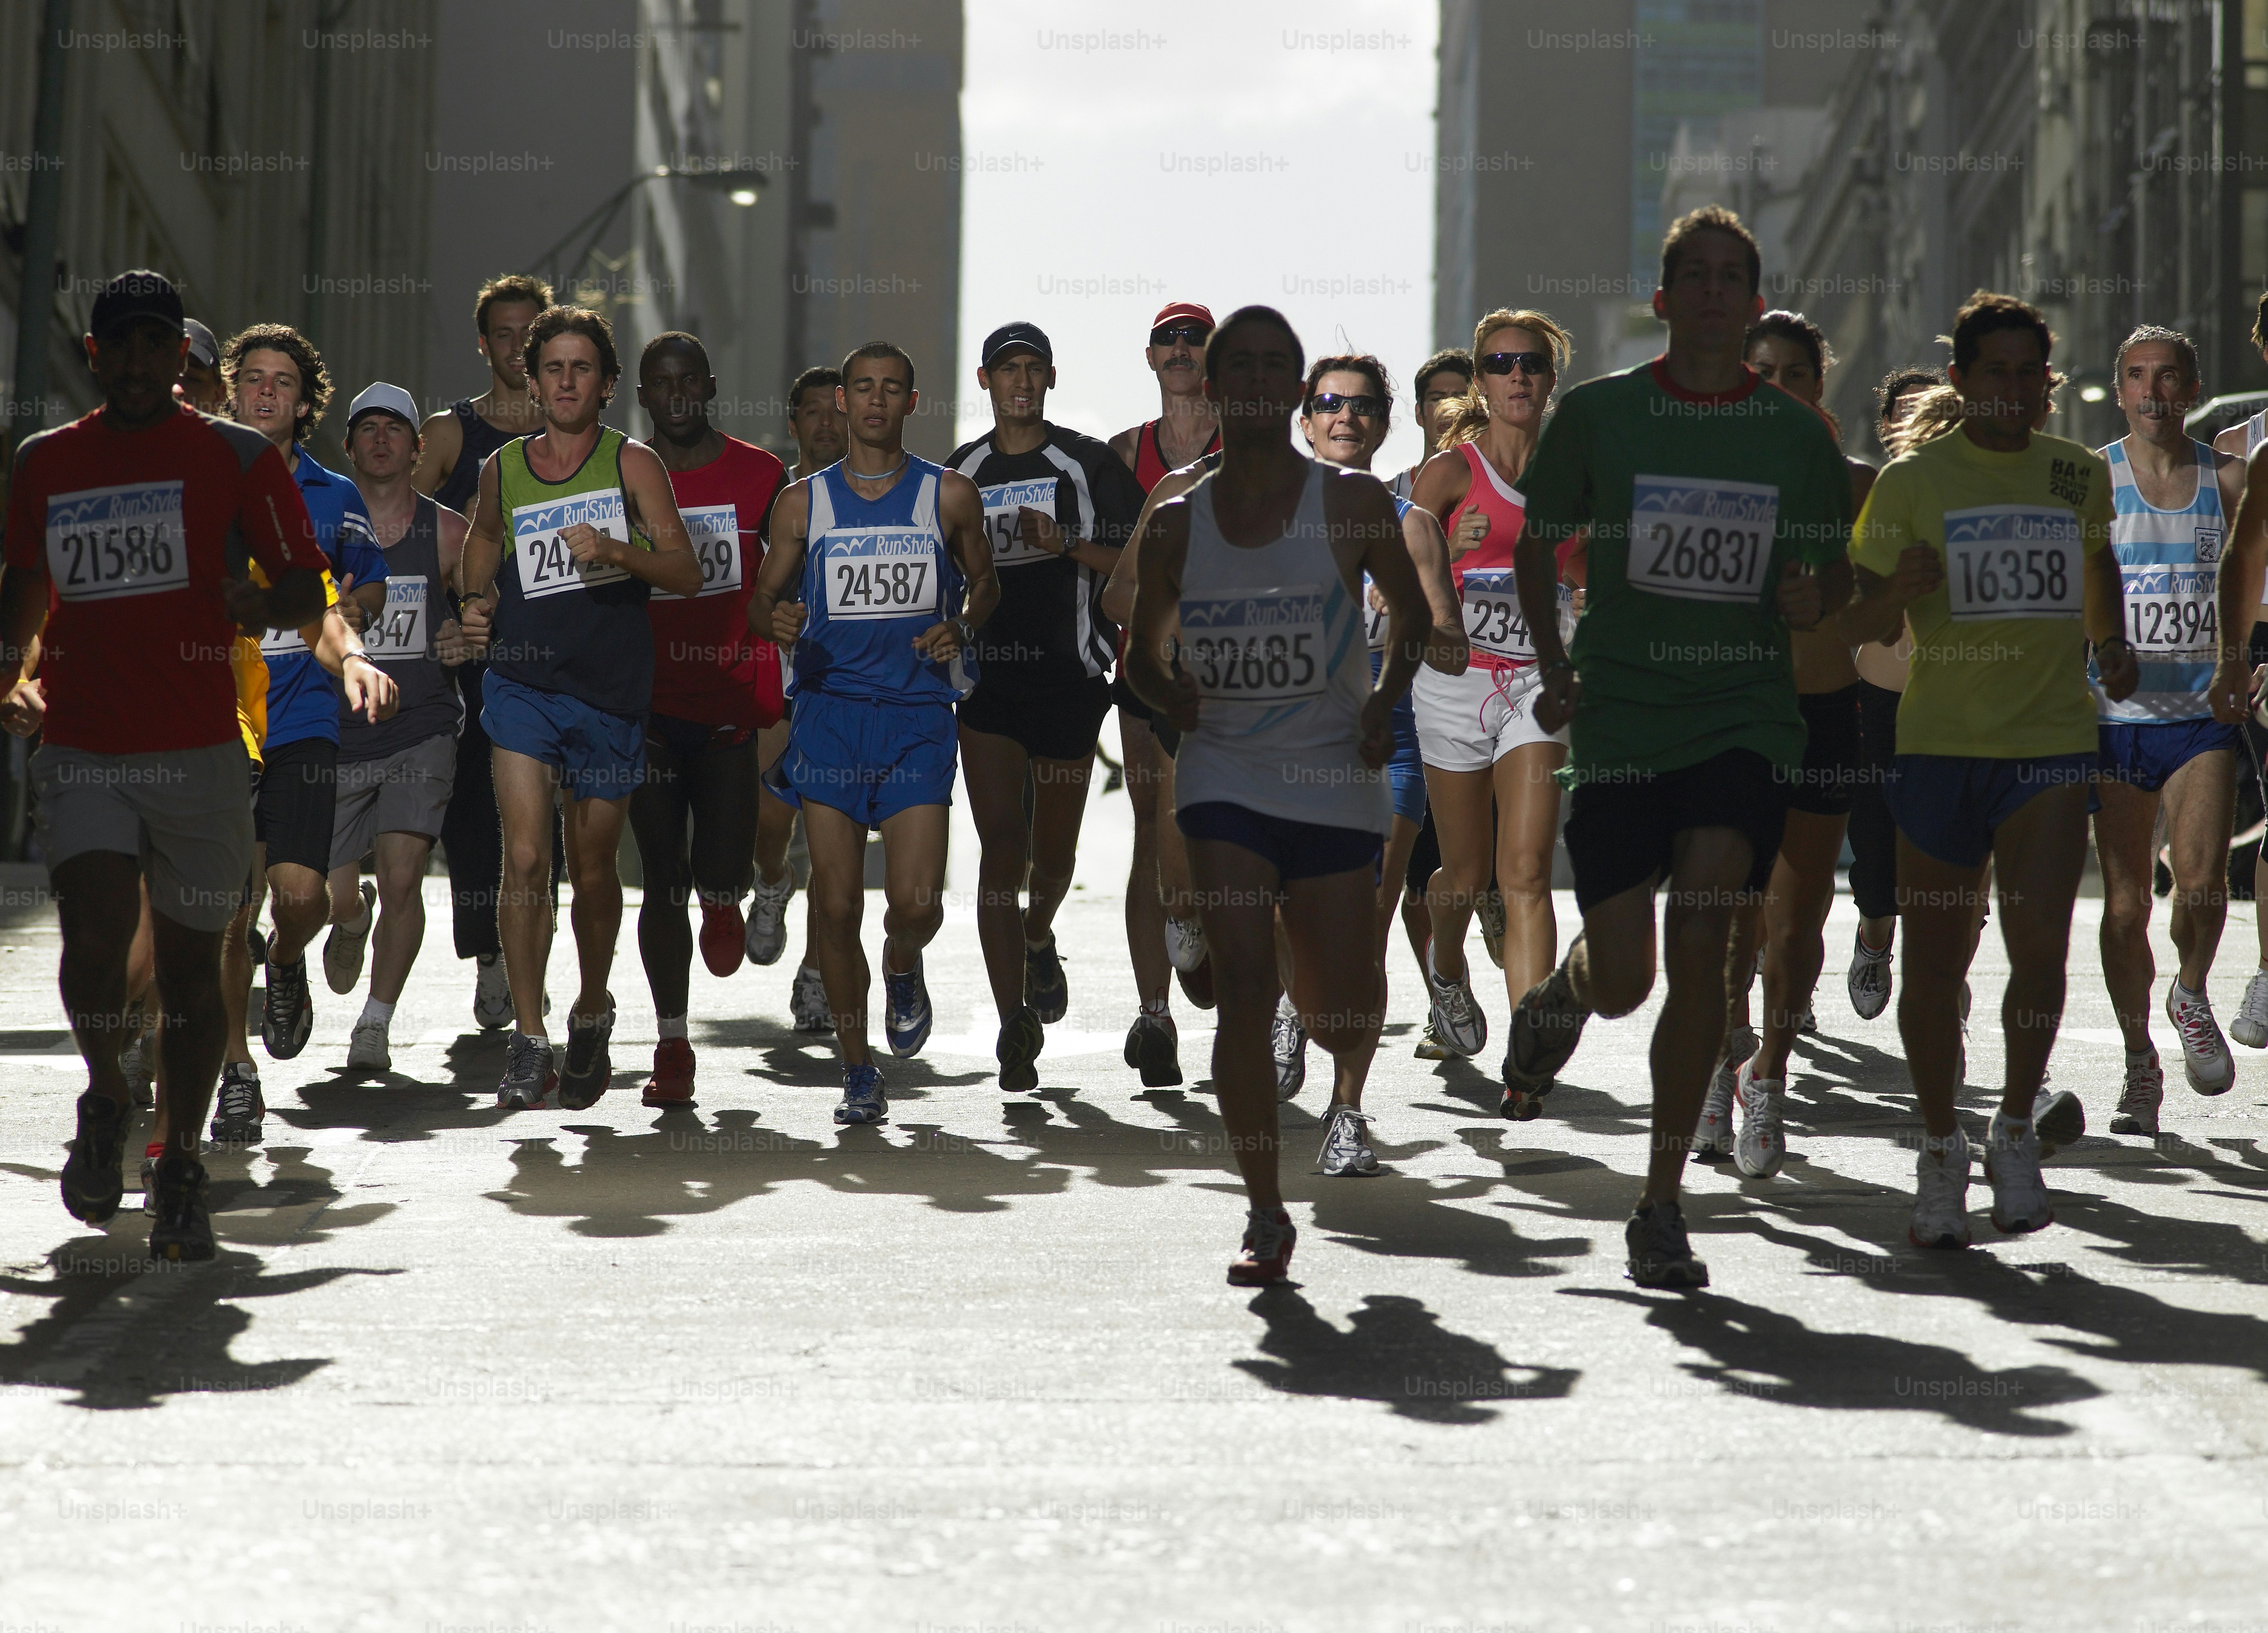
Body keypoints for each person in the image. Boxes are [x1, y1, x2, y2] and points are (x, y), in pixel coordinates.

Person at [1503, 207, 1857, 1287]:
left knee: (1704, 935)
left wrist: (1809, 593)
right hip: (1619, 715)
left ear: (1752, 302)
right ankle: (1565, 984)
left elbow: (1829, 578)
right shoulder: (1601, 416)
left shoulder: (1794, 437)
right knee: (1625, 979)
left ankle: (1660, 1201)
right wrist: (1550, 665)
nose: (1710, 292)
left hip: (1741, 716)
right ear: (1661, 299)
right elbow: (1533, 540)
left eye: (1730, 277)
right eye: (1691, 276)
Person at [2, 270, 329, 1260]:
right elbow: (23, 584)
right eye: (122, 344)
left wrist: (256, 606)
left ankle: (179, 1157)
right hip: (88, 745)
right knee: (97, 941)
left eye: (158, 344)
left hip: (198, 750)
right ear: (95, 356)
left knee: (191, 975)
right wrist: (9, 675)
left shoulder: (234, 459)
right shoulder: (46, 462)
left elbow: (305, 593)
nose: (141, 361)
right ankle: (106, 1089)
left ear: (182, 362)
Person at [1126, 305, 1432, 1280]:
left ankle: (1326, 1005)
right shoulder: (1176, 521)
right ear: (1214, 389)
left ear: (1294, 390)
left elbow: (1415, 617)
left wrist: (1384, 699)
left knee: (1339, 1009)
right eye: (1238, 367)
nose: (1255, 382)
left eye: (1275, 367)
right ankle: (1264, 1209)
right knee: (1244, 993)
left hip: (1332, 774)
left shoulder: (1348, 505)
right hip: (1224, 774)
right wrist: (1169, 690)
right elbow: (1139, 652)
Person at [1843, 290, 2135, 1249]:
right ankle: (1938, 1145)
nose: (2013, 391)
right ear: (1960, 381)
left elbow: (2096, 566)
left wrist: (2111, 641)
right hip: (1936, 747)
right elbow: (1865, 620)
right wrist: (1894, 589)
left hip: (2048, 743)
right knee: (1934, 968)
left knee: (2041, 954)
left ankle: (2011, 1129)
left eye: (2029, 374)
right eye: (1994, 373)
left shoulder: (2072, 474)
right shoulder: (1911, 481)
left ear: (2046, 386)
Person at [459, 305, 705, 1110]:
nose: (566, 382)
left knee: (593, 865)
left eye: (582, 369)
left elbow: (685, 572)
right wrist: (473, 598)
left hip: (608, 688)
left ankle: (591, 1003)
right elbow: (484, 539)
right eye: (553, 369)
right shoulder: (505, 467)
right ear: (532, 382)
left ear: (604, 386)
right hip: (522, 682)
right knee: (528, 859)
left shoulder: (630, 464)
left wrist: (617, 553)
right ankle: (530, 1040)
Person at [749, 342, 997, 1124]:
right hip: (829, 717)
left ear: (910, 403)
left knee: (917, 901)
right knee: (836, 906)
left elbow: (986, 580)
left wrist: (962, 622)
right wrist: (777, 618)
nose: (876, 401)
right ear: (843, 403)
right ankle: (857, 1071)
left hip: (917, 718)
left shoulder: (949, 495)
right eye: (862, 389)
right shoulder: (802, 503)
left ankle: (902, 960)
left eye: (892, 388)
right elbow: (761, 599)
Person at [1699, 310, 1881, 1175]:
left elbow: (1884, 611)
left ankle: (1766, 1074)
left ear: (1819, 387)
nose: (1775, 389)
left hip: (1825, 712)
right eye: (1758, 373)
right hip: (1732, 713)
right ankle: (1712, 1068)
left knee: (1795, 920)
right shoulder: (1708, 477)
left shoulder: (1857, 485)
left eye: (1793, 375)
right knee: (1729, 910)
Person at [948, 322, 1148, 1088]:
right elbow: (935, 563)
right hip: (989, 685)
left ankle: (1038, 936)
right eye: (1007, 371)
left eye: (1033, 370)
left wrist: (1066, 542)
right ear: (985, 381)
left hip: (1070, 681)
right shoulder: (960, 471)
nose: (1020, 383)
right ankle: (1011, 1024)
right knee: (1001, 849)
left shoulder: (1085, 462)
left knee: (1052, 858)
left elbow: (1140, 560)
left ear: (1052, 379)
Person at [1406, 309, 1581, 1118]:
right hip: (1452, 684)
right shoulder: (1451, 472)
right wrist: (1444, 559)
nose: (1517, 376)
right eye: (1501, 364)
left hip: (1532, 685)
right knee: (1464, 873)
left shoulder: (1575, 474)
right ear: (1480, 381)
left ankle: (1527, 1051)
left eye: (1532, 364)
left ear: (1549, 380)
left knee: (1525, 872)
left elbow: (1599, 569)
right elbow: (1403, 556)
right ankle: (1446, 965)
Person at [1297, 353, 1468, 1169]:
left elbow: (1453, 647)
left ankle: (1345, 1112)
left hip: (1386, 744)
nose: (1346, 417)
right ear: (1305, 421)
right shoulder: (1263, 521)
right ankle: (1294, 1008)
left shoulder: (1412, 527)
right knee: (1291, 919)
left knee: (1367, 921)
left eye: (1363, 408)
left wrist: (1409, 619)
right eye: (1330, 403)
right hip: (1287, 748)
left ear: (1382, 426)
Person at [221, 322, 391, 1140]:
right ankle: (236, 1075)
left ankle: (284, 963)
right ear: (232, 388)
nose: (265, 392)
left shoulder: (331, 496)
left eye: (282, 382)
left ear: (303, 403)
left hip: (302, 721)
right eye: (252, 378)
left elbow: (355, 596)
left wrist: (354, 644)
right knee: (228, 906)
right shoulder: (201, 480)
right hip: (218, 724)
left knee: (300, 899)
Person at [2085, 327, 2249, 1136]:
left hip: (2199, 717)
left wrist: (2247, 657)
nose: (2152, 392)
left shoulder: (2226, 481)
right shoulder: (2090, 481)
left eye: (2168, 378)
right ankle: (2137, 1062)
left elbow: (2253, 583)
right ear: (2119, 391)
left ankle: (2188, 990)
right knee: (2122, 910)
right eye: (2137, 378)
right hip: (2115, 723)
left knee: (2202, 886)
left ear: (2189, 390)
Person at [627, 332, 789, 1106]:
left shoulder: (761, 477)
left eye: (690, 381)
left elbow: (791, 580)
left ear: (711, 386)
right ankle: (672, 1044)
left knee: (716, 872)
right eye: (663, 384)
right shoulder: (622, 477)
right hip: (650, 708)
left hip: (729, 711)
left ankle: (724, 901)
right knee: (662, 880)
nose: (678, 395)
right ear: (644, 396)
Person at [320, 384, 478, 1072]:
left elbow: (485, 611)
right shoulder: (319, 524)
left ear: (418, 450)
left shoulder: (447, 532)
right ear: (349, 447)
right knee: (330, 889)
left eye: (395, 430)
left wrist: (465, 638)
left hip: (421, 725)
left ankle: (375, 1025)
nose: (381, 440)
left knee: (405, 876)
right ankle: (352, 919)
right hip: (333, 732)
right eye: (367, 429)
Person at [413, 273, 556, 1031]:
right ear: (483, 342)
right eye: (501, 333)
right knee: (472, 812)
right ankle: (491, 958)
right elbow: (396, 526)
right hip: (467, 648)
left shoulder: (574, 433)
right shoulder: (450, 434)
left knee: (545, 824)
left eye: (527, 333)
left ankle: (530, 956)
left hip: (551, 647)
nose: (513, 346)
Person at [1110, 303, 1221, 1027]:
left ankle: (1232, 974)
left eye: (1194, 338)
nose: (1180, 349)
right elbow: (1109, 576)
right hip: (1145, 670)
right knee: (1151, 822)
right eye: (1167, 339)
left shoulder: (1244, 448)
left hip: (1232, 675)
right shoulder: (1124, 455)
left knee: (1223, 824)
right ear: (1150, 358)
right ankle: (1153, 1014)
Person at [1844, 367, 1941, 1019]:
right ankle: (1874, 936)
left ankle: (1945, 996)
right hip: (1876, 696)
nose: (1918, 428)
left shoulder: (1969, 495)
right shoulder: (1867, 495)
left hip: (1955, 701)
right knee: (1877, 855)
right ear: (1886, 428)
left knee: (1952, 856)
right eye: (1904, 415)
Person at [771, 367, 850, 1035]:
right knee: (771, 829)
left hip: (845, 690)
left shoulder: (877, 493)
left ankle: (819, 971)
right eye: (813, 411)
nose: (828, 423)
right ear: (792, 421)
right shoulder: (771, 493)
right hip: (773, 683)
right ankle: (770, 881)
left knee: (834, 846)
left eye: (839, 411)